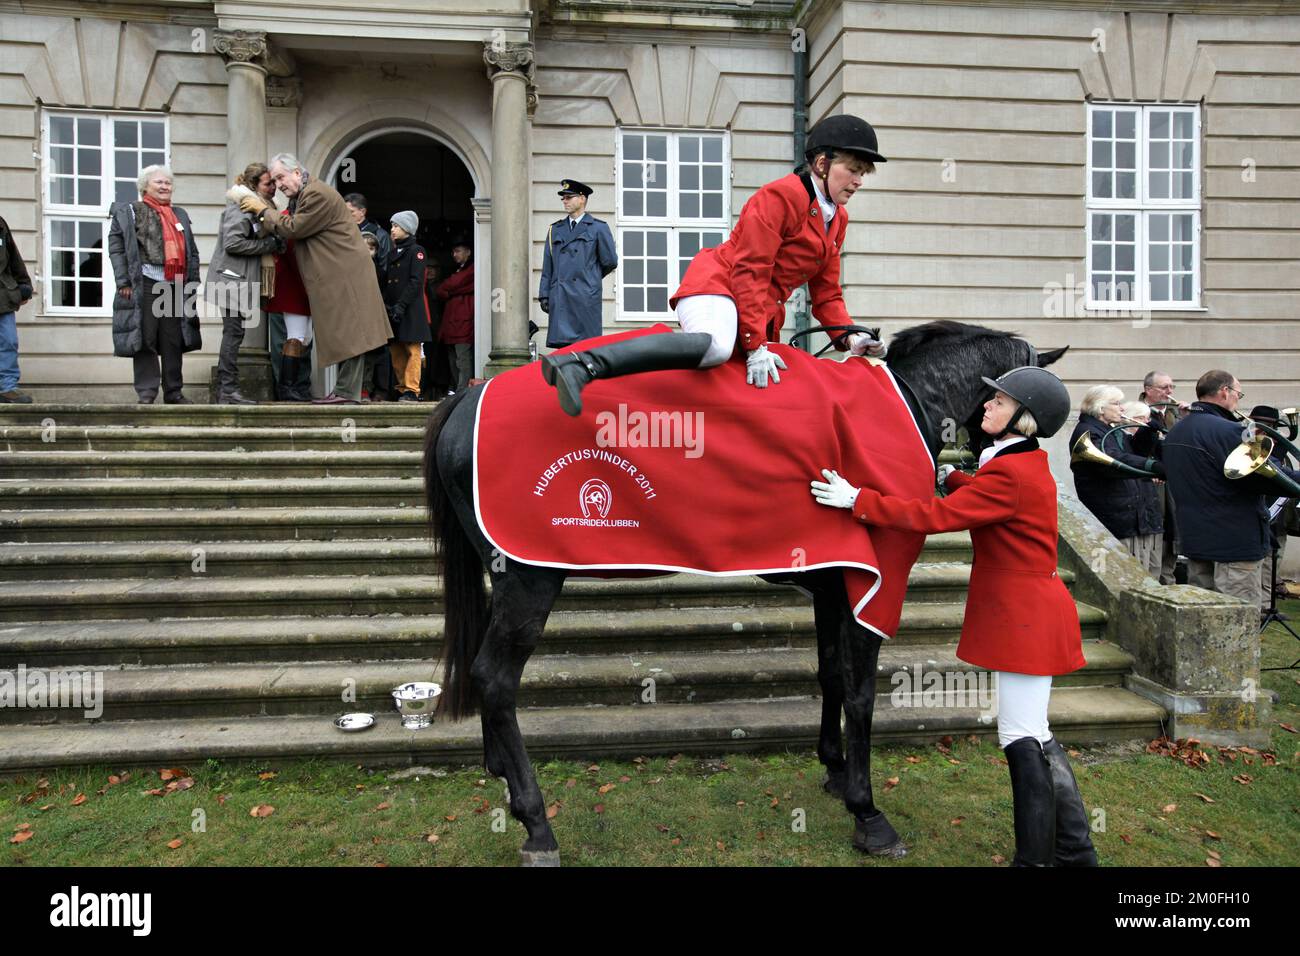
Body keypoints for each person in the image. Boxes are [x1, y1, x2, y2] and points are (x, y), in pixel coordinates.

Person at [809, 366, 1096, 867]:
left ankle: (1040, 860)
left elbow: (936, 518)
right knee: (1035, 733)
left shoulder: (1010, 472)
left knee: (1023, 737)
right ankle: (1073, 851)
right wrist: (955, 476)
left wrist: (859, 500)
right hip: (1030, 613)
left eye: (1001, 402)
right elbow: (989, 494)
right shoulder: (1016, 464)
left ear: (1024, 420)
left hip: (1025, 620)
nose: (987, 404)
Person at [541, 115, 886, 416]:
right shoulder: (781, 196)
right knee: (717, 347)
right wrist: (755, 344)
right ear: (822, 164)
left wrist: (850, 335)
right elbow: (751, 270)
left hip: (755, 309)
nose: (859, 181)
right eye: (853, 170)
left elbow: (826, 295)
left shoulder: (837, 219)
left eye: (863, 173)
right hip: (718, 287)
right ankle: (582, 364)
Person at [238, 154, 391, 405]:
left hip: (345, 275)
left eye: (281, 177)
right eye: (274, 179)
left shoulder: (316, 194)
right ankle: (345, 391)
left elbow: (294, 228)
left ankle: (346, 392)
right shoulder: (306, 194)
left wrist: (262, 210)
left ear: (297, 172)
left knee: (354, 334)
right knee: (351, 333)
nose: (279, 184)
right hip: (340, 274)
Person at [1163, 371, 1300, 612]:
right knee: (1238, 617)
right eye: (1238, 393)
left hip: (1195, 537)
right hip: (1235, 541)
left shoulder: (1176, 431)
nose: (1238, 399)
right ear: (1225, 391)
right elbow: (1273, 480)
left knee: (1201, 616)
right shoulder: (1229, 432)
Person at [108, 164, 201, 404]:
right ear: (144, 186)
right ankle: (147, 392)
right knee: (145, 338)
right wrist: (123, 281)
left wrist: (192, 280)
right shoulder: (131, 211)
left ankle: (174, 392)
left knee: (173, 340)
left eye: (168, 183)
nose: (165, 186)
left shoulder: (179, 215)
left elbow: (191, 250)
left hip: (173, 284)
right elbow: (117, 248)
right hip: (145, 282)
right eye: (159, 182)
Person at [1068, 385, 1164, 576]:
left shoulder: (1112, 430)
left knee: (1147, 574)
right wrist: (1152, 467)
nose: (1122, 408)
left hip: (1134, 518)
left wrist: (1147, 434)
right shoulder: (1088, 432)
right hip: (1116, 519)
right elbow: (1114, 461)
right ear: (1100, 407)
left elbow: (1133, 453)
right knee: (1127, 576)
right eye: (1117, 404)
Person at [208, 162, 282, 404]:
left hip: (237, 278)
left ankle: (226, 389)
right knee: (233, 333)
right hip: (231, 279)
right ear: (254, 185)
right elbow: (233, 243)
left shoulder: (256, 206)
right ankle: (227, 389)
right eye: (268, 183)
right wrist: (268, 245)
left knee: (234, 333)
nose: (274, 187)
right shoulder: (242, 207)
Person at [538, 179, 618, 348]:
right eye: (563, 198)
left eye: (569, 197)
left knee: (586, 349)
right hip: (561, 297)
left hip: (585, 298)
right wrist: (544, 294)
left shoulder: (598, 228)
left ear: (582, 199)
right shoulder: (555, 229)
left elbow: (610, 261)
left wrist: (589, 278)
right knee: (564, 351)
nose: (565, 201)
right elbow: (548, 266)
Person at [1139, 370, 1190, 584]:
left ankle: (1168, 580)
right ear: (1148, 390)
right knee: (1157, 530)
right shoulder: (1138, 411)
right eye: (1164, 387)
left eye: (1171, 387)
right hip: (1152, 481)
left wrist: (1187, 420)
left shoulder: (1175, 414)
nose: (1169, 392)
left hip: (1174, 482)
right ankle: (1152, 580)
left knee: (1174, 530)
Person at [1247, 405, 1296, 616]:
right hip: (1259, 514)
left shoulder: (1279, 451)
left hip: (1279, 516)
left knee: (1273, 560)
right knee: (1264, 563)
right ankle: (1263, 606)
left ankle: (1268, 604)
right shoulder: (1254, 447)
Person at [383, 210, 433, 403]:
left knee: (412, 349)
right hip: (394, 309)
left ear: (407, 228)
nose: (392, 230)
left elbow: (415, 282)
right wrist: (389, 306)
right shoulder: (392, 253)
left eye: (396, 226)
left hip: (410, 310)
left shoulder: (417, 251)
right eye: (392, 226)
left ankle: (412, 389)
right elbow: (389, 282)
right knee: (396, 349)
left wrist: (401, 306)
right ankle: (402, 387)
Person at [0, 213, 34, 403]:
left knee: (9, 341)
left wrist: (24, 286)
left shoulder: (0, 224)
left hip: (3, 295)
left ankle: (7, 387)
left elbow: (13, 257)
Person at [436, 238, 474, 394]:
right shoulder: (460, 270)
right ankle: (458, 389)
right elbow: (441, 290)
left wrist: (450, 290)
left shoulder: (472, 269)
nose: (454, 255)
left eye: (458, 251)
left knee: (462, 359)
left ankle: (462, 390)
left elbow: (451, 284)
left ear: (468, 252)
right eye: (453, 252)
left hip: (464, 322)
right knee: (452, 359)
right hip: (451, 323)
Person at [360, 231, 393, 402]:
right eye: (364, 247)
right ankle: (363, 388)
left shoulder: (380, 272)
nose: (368, 251)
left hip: (375, 317)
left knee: (376, 356)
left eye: (371, 248)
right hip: (358, 317)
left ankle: (376, 390)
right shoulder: (351, 269)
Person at [344, 193, 392, 264]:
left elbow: (385, 266)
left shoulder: (381, 235)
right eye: (345, 211)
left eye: (351, 211)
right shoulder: (342, 232)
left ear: (362, 212)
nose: (346, 215)